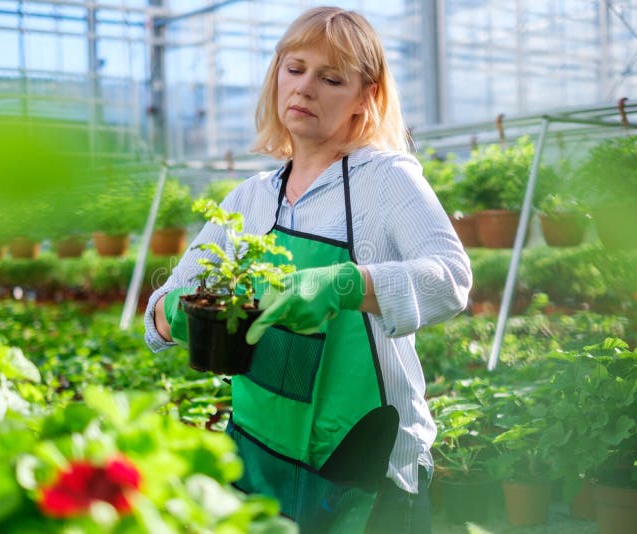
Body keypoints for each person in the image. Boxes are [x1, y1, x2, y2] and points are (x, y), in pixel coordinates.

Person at [145, 6, 471, 533]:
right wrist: (179, 315)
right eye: (295, 69)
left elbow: (452, 279)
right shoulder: (251, 198)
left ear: (365, 97)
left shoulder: (385, 179)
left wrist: (347, 284)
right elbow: (159, 314)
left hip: (361, 462)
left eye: (331, 78)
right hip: (258, 453)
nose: (305, 88)